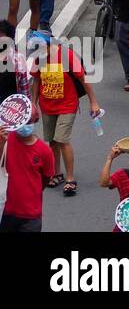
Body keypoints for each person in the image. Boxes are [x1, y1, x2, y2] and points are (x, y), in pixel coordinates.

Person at [29, 30, 100, 197]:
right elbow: (37, 81)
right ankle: (56, 173)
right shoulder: (39, 58)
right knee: (52, 141)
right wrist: (33, 103)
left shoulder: (66, 55)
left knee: (62, 140)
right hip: (47, 106)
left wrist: (93, 102)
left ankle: (70, 179)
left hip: (67, 105)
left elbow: (84, 79)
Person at [1, 116, 55, 232]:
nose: (25, 125)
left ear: (35, 122)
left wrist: (33, 191)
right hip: (5, 211)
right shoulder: (6, 140)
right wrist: (1, 143)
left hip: (30, 215)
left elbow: (46, 178)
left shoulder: (45, 151)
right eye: (22, 121)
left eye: (29, 121)